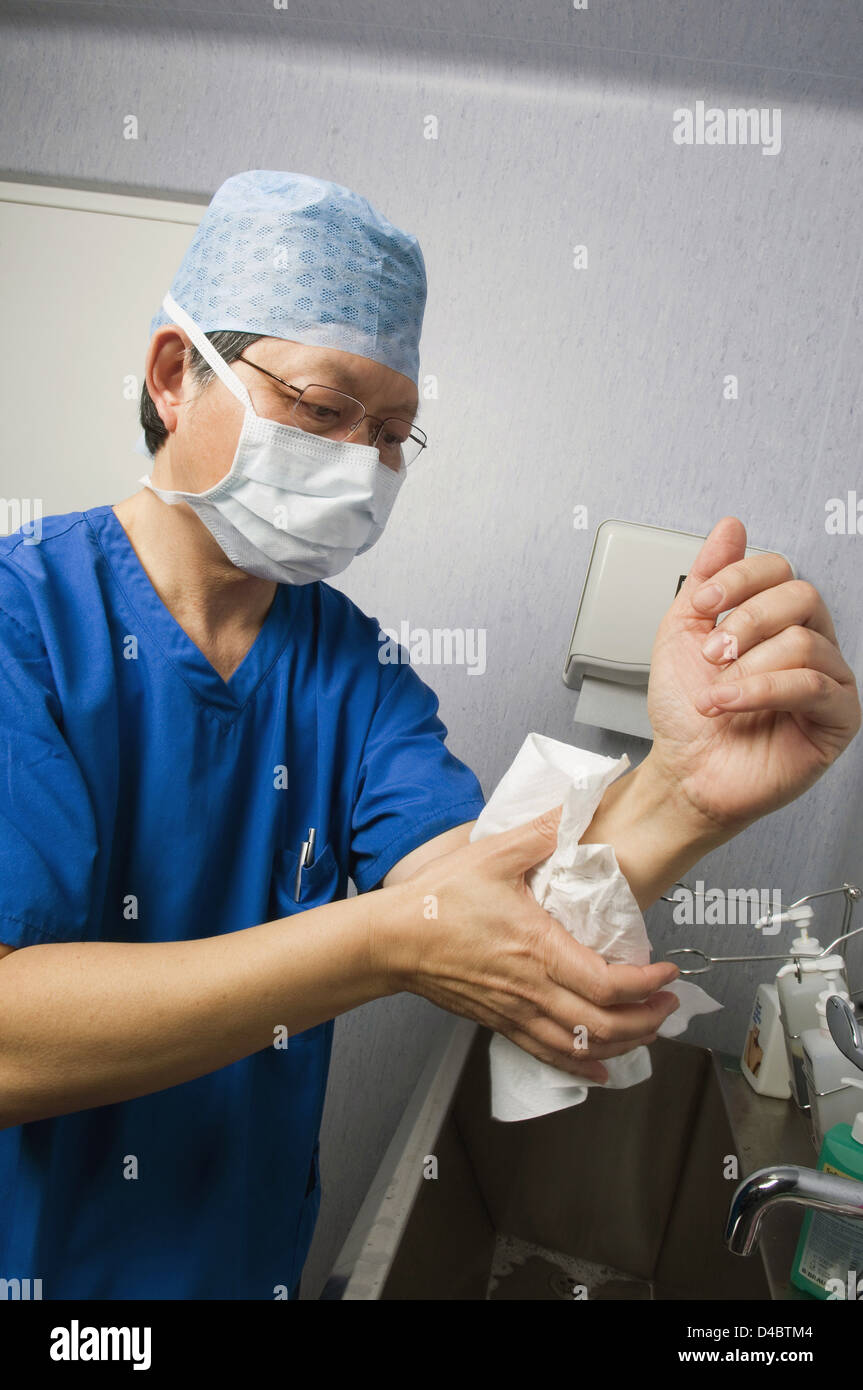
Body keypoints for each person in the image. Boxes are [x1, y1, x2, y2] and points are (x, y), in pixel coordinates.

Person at [0, 170, 858, 1301]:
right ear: (174, 375)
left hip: (243, 1261)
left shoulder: (355, 671)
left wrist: (685, 790)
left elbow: (490, 911)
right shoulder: (28, 624)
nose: (363, 459)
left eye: (396, 432)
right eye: (323, 408)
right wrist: (383, 941)